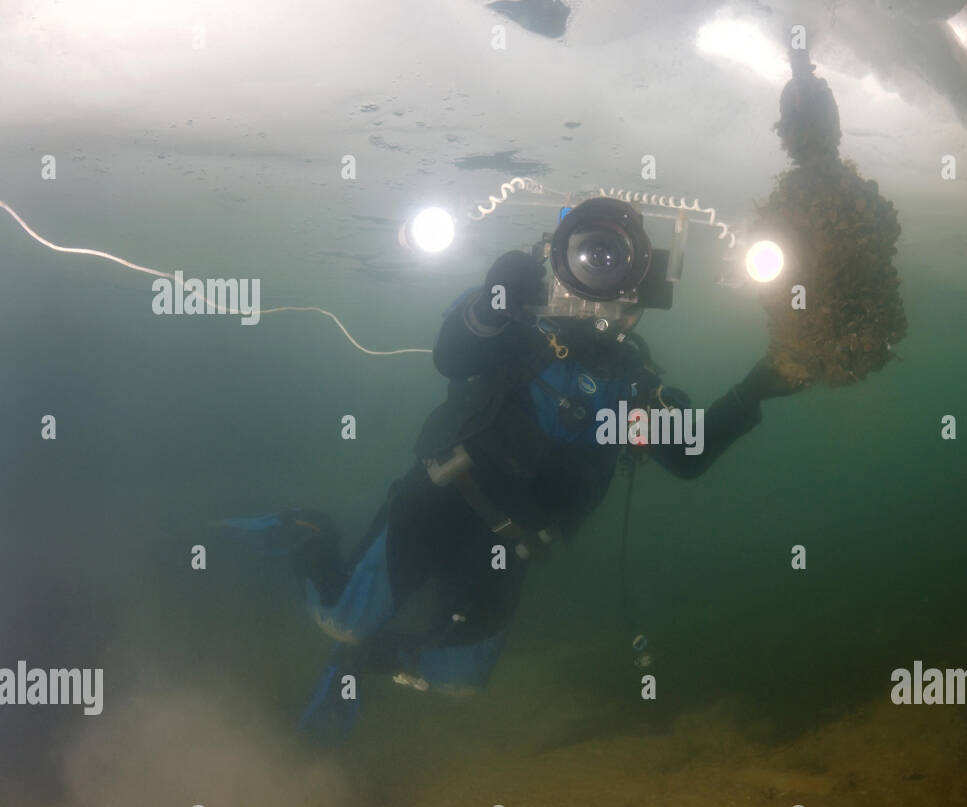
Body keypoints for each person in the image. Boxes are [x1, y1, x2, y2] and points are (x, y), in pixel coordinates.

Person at [224, 209, 803, 744]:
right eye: (591, 258)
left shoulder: (633, 388)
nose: (604, 283)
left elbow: (687, 456)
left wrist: (754, 390)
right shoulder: (516, 329)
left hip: (511, 546)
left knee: (457, 680)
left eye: (620, 271)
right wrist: (493, 299)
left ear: (642, 285)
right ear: (560, 264)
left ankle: (362, 662)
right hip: (439, 500)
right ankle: (309, 532)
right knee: (342, 620)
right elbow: (452, 356)